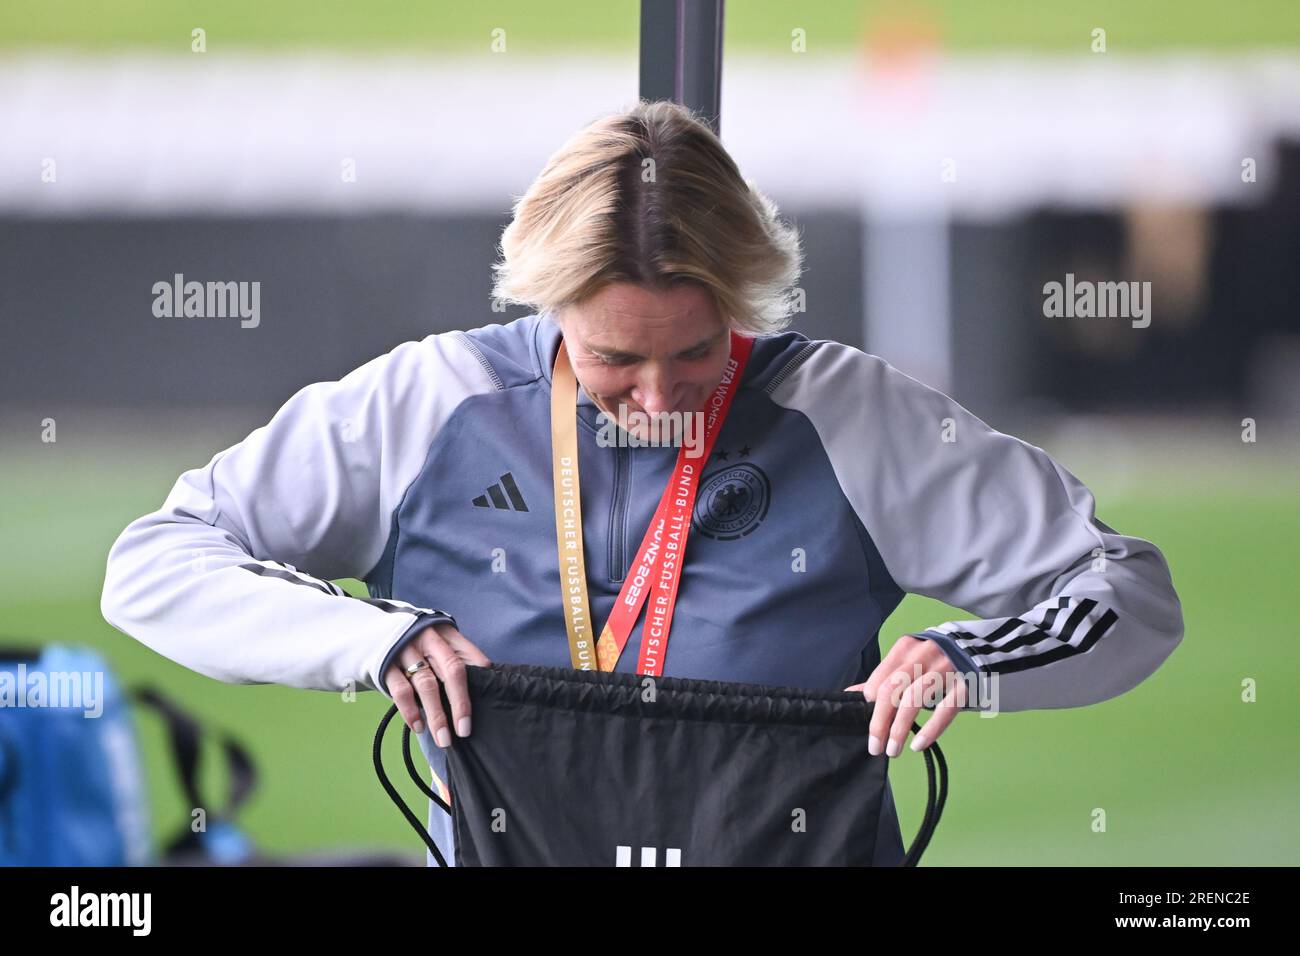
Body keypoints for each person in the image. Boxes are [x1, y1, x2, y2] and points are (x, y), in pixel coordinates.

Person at [101, 98, 1184, 866]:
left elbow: (1124, 587)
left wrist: (967, 654)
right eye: (617, 358)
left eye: (698, 350)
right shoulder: (428, 401)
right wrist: (368, 639)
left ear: (747, 307)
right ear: (546, 301)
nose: (661, 392)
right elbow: (155, 563)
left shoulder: (849, 411)